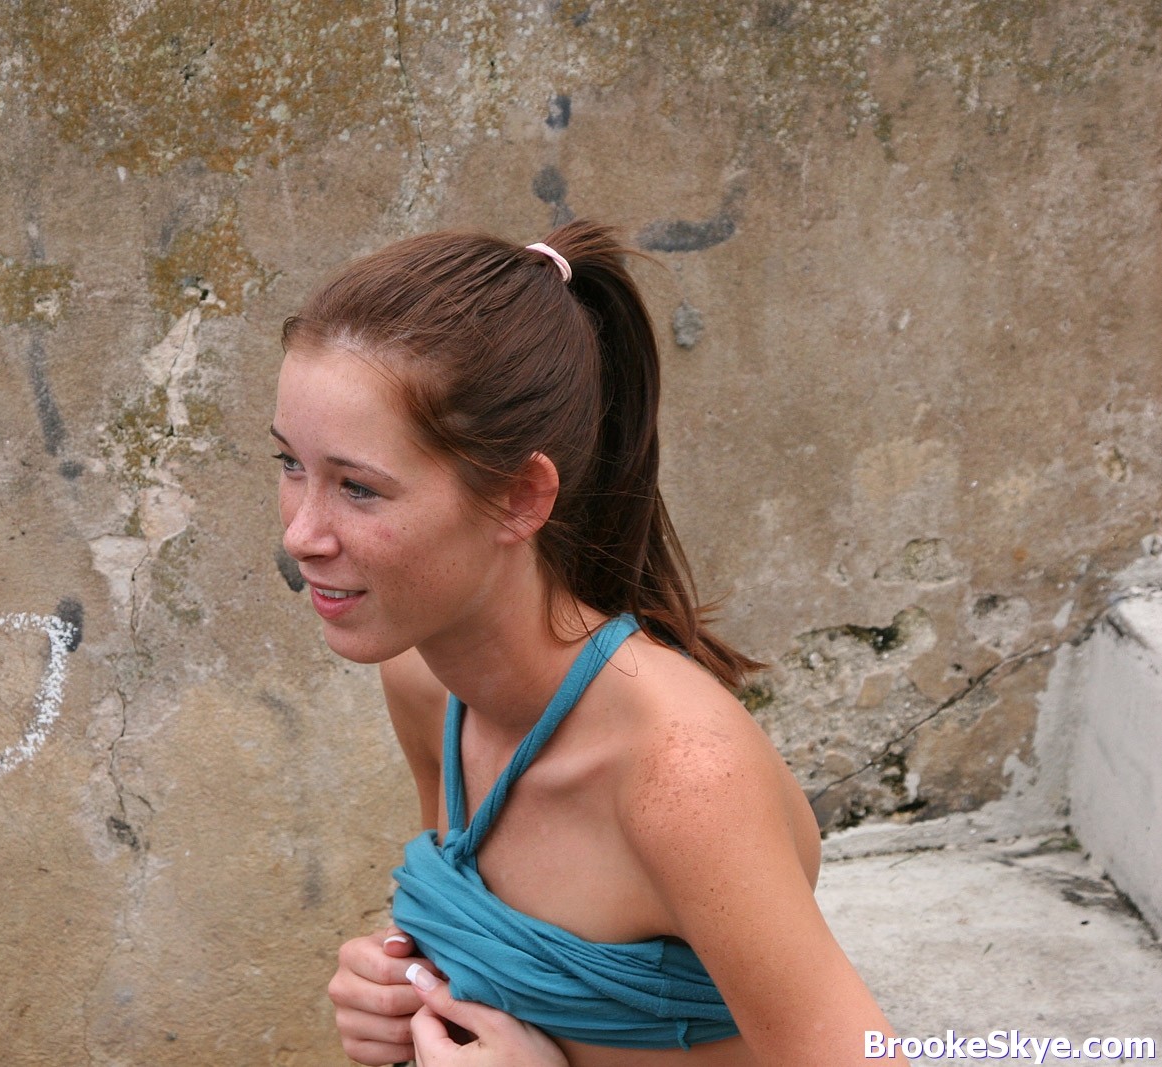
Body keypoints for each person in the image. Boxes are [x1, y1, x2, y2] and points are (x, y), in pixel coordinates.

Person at [272, 221, 905, 1066]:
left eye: (358, 487)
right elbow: (481, 946)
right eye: (288, 465)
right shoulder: (426, 682)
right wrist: (397, 988)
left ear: (519, 498)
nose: (301, 534)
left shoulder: (682, 780)